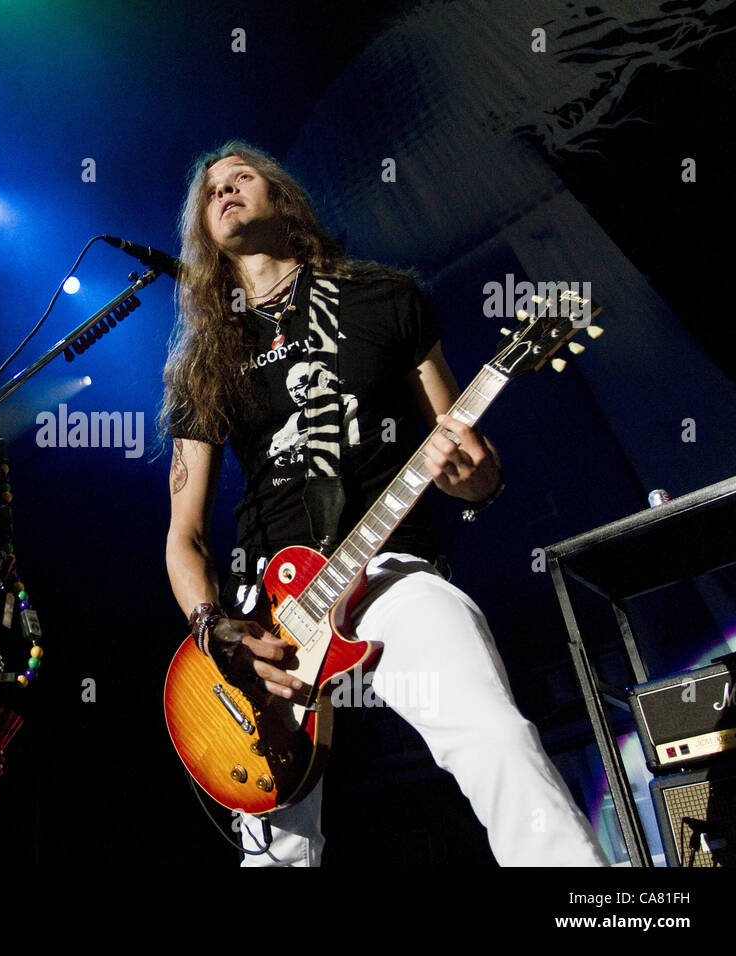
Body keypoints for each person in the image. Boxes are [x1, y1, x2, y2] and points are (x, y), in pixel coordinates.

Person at [161, 140, 607, 867]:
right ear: (202, 229)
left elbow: (467, 460)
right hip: (268, 614)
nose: (225, 189)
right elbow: (184, 536)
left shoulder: (385, 296)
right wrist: (215, 629)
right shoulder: (205, 361)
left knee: (491, 736)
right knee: (277, 853)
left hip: (389, 570)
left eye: (242, 176)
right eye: (210, 189)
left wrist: (471, 472)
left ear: (282, 198)